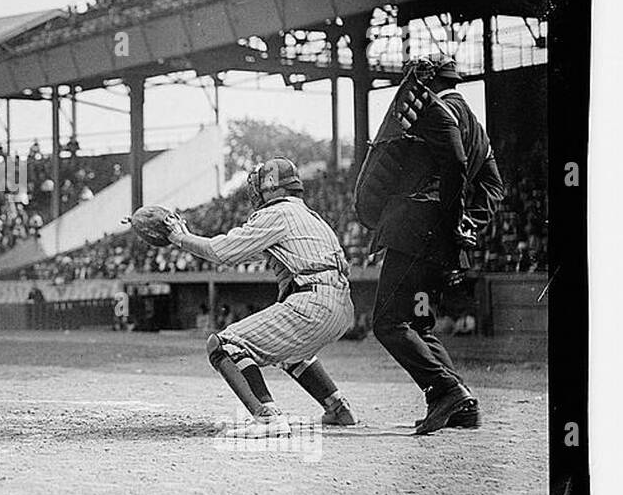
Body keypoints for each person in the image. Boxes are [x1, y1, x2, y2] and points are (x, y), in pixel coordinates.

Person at [163, 158, 357, 437]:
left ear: (272, 187)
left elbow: (223, 252)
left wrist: (181, 238)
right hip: (341, 305)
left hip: (313, 301)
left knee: (223, 345)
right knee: (292, 353)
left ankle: (267, 417)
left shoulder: (276, 213)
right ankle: (338, 407)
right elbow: (256, 251)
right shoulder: (312, 217)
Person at [367, 57, 503, 434]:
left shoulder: (436, 111)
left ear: (427, 84)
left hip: (415, 237)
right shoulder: (479, 130)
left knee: (388, 322)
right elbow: (494, 187)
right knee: (420, 323)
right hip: (441, 249)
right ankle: (462, 406)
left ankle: (445, 390)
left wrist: (448, 215)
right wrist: (467, 223)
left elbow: (455, 162)